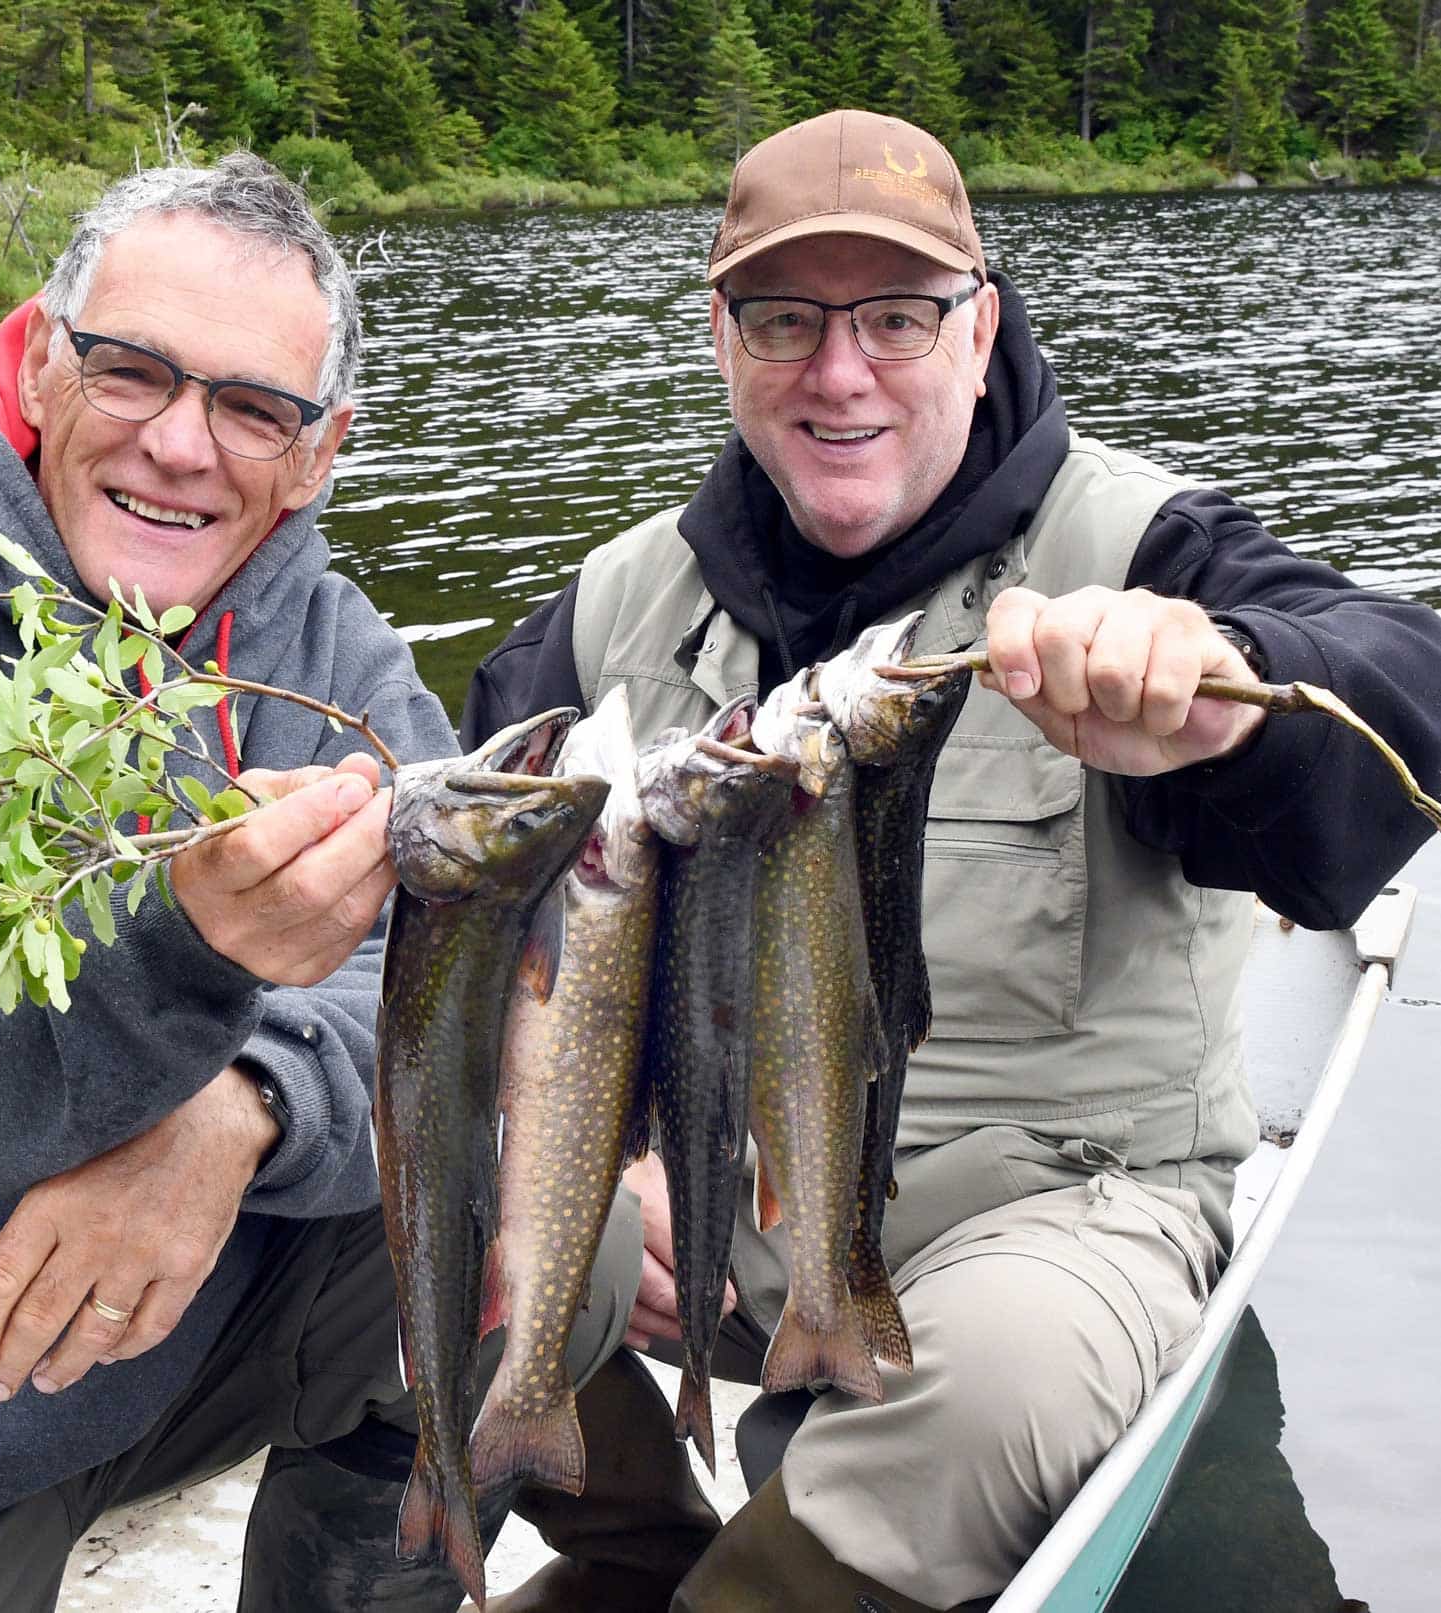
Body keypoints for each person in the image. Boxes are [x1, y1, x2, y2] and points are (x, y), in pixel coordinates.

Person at [0, 153, 639, 1613]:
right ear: (34, 362)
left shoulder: (330, 651)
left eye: (250, 406)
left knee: (559, 1252)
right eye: (132, 371)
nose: (182, 446)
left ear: (317, 450)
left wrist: (233, 1111)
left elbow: (441, 998)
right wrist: (185, 952)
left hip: (190, 1328)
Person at [463, 108, 1441, 1612]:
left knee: (986, 1392)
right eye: (784, 319)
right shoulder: (614, 607)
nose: (837, 370)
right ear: (721, 340)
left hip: (1056, 1217)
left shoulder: (1143, 545)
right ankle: (631, 1555)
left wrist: (1227, 686)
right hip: (715, 1227)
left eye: (898, 318)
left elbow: (1404, 695)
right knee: (398, 1203)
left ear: (979, 332)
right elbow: (468, 931)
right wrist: (620, 1161)